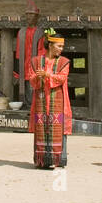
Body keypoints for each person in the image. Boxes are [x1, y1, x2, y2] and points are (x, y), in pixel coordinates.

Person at [28, 29, 72, 169]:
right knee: (41, 126)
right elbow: (31, 80)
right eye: (59, 46)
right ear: (51, 45)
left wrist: (48, 75)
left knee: (58, 126)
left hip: (57, 98)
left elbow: (62, 78)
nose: (61, 49)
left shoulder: (64, 62)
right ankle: (42, 159)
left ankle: (58, 159)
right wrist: (38, 77)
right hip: (41, 99)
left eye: (62, 46)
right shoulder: (35, 61)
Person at [14, 1, 46, 107]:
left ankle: (35, 107)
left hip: (34, 65)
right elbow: (18, 52)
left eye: (31, 14)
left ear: (37, 17)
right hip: (24, 65)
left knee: (34, 87)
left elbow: (42, 51)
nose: (29, 16)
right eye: (27, 14)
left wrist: (39, 68)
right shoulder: (21, 32)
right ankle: (26, 106)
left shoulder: (40, 32)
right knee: (24, 86)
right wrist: (17, 71)